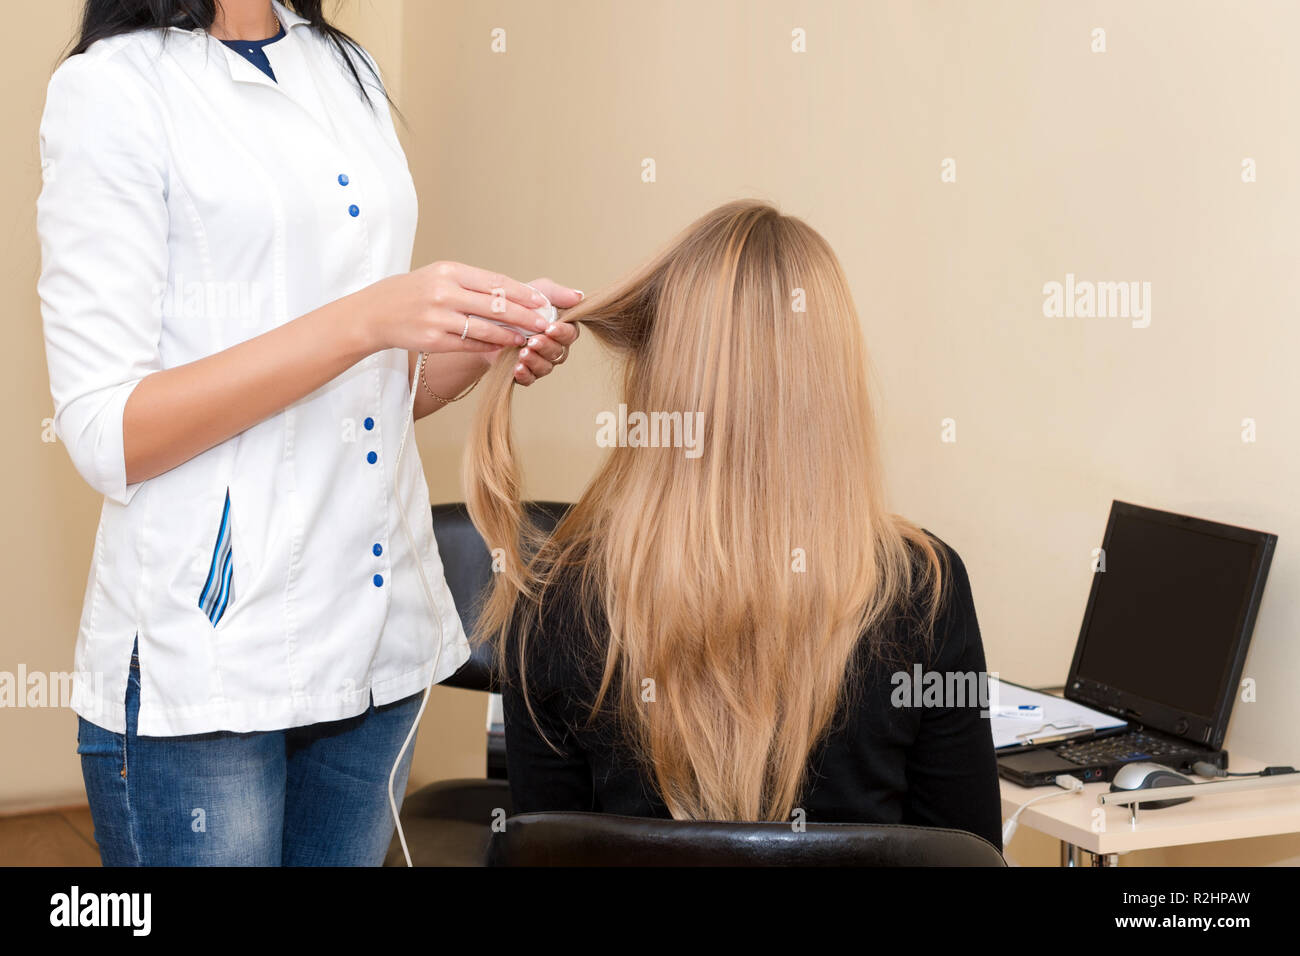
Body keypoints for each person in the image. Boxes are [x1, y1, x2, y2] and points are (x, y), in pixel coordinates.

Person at [37, 0, 580, 866]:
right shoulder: (112, 89)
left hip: (375, 645)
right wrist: (367, 318)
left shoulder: (345, 71)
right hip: (211, 665)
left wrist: (486, 342)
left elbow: (367, 396)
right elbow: (110, 431)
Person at [466, 200, 1002, 849]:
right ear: (832, 378)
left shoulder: (551, 591)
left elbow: (545, 854)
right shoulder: (925, 587)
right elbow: (969, 854)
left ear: (658, 375)